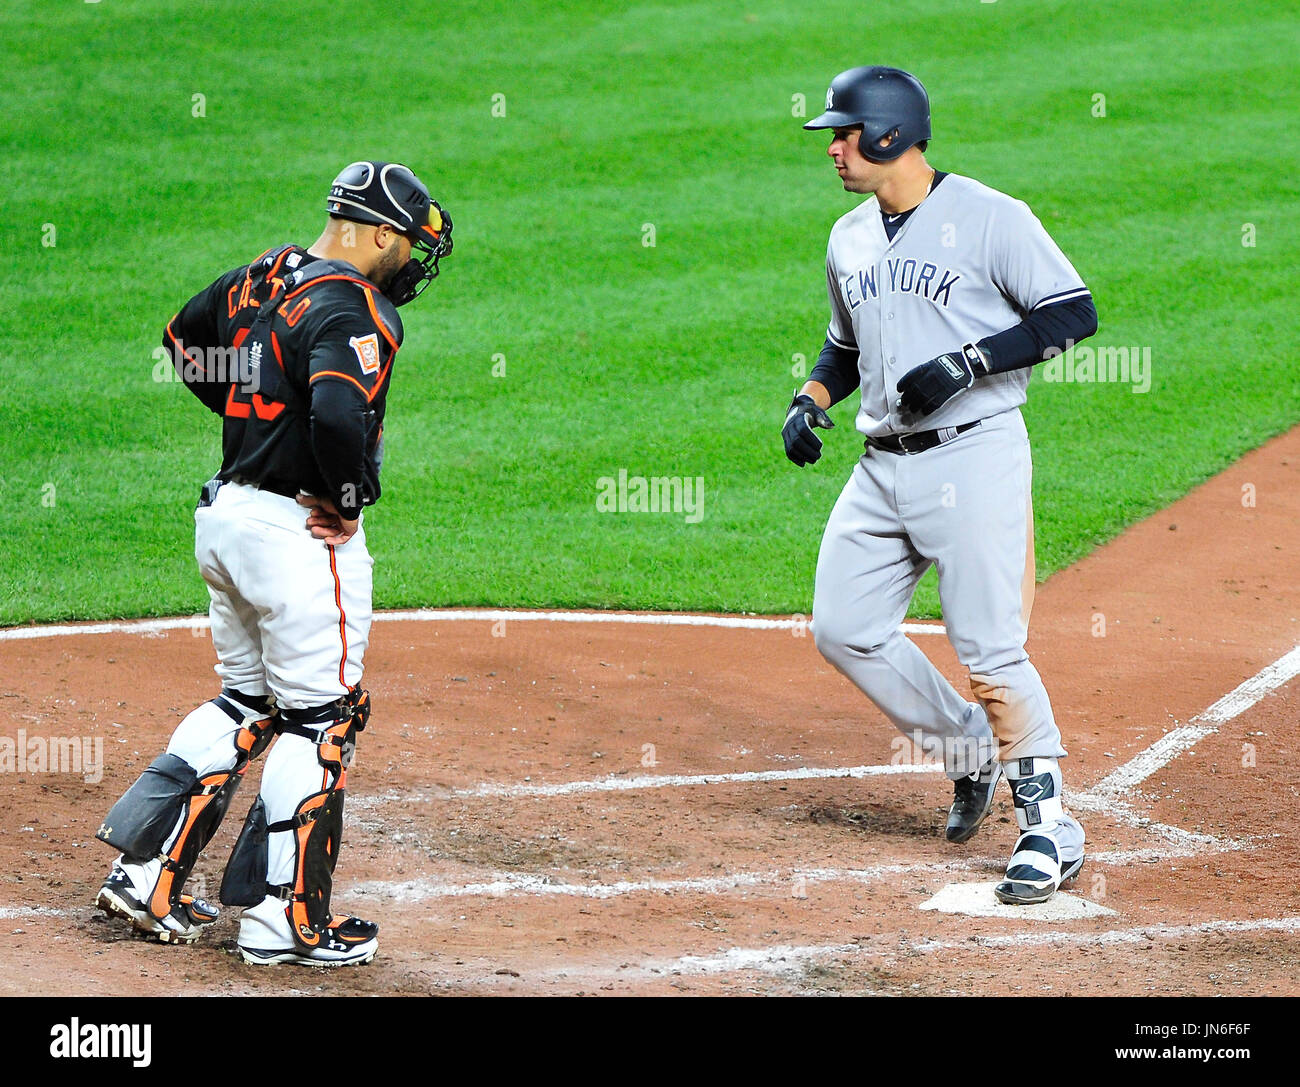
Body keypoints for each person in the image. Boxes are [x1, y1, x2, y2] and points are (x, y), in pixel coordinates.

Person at [94, 160, 453, 963]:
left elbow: (184, 342)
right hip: (296, 534)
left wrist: (255, 420)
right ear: (376, 232)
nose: (411, 265)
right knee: (322, 720)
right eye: (406, 246)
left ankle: (144, 874)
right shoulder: (353, 305)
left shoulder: (265, 275)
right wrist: (350, 494)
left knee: (246, 701)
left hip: (226, 516)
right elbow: (334, 411)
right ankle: (284, 920)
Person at [783, 67, 1098, 904]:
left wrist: (969, 363)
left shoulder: (993, 218)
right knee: (845, 627)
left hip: (976, 453)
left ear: (890, 135)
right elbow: (844, 347)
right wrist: (809, 399)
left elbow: (1071, 312)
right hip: (882, 464)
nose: (835, 148)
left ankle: (1050, 826)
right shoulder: (849, 235)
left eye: (844, 134)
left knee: (989, 645)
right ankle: (967, 749)